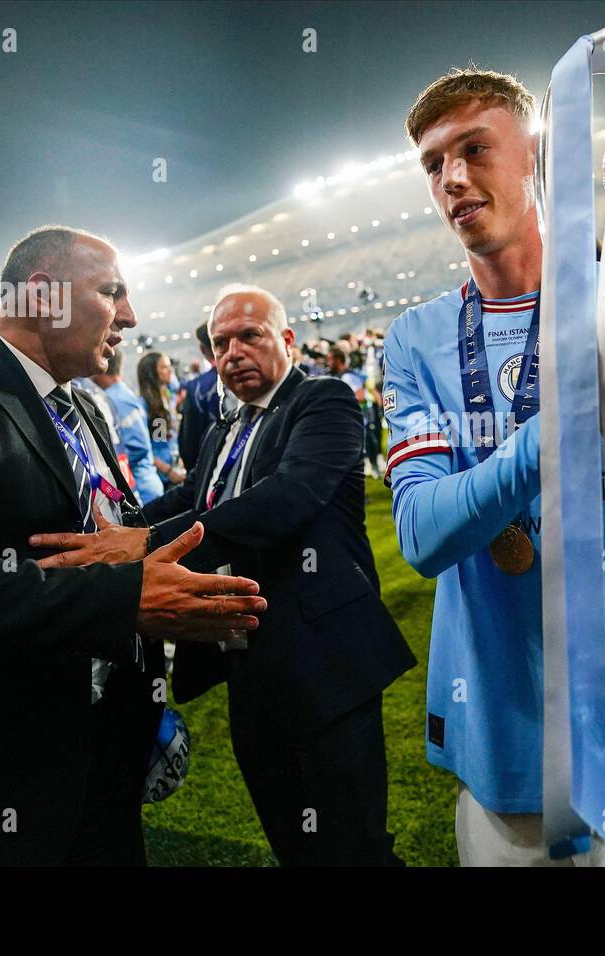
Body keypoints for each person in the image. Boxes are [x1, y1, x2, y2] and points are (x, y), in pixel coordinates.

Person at [0, 225, 265, 865]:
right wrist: (126, 601)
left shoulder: (82, 410)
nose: (130, 316)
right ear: (43, 295)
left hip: (94, 761)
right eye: (111, 291)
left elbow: (105, 546)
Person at [383, 67, 605, 866]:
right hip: (503, 735)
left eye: (475, 148)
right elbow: (422, 532)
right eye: (433, 164)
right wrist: (553, 435)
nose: (452, 178)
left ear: (537, 159)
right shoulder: (416, 338)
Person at [31, 286, 415, 866]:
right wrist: (111, 532)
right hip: (247, 662)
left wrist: (147, 542)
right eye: (220, 343)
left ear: (287, 341)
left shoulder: (322, 400)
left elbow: (286, 499)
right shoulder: (221, 426)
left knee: (353, 848)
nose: (232, 352)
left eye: (249, 336)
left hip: (322, 660)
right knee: (294, 840)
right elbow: (194, 494)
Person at [88, 347, 163, 506]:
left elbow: (139, 447)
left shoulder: (114, 400)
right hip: (149, 481)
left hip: (142, 488)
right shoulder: (123, 394)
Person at [137, 351, 183, 489]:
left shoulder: (167, 397)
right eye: (164, 367)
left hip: (174, 468)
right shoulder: (142, 404)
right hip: (159, 477)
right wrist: (167, 471)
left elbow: (166, 438)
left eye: (169, 366)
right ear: (152, 372)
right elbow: (144, 449)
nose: (170, 370)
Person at [178, 321, 220, 473]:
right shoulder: (153, 404)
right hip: (167, 467)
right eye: (164, 367)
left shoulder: (195, 388)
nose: (169, 372)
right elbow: (159, 439)